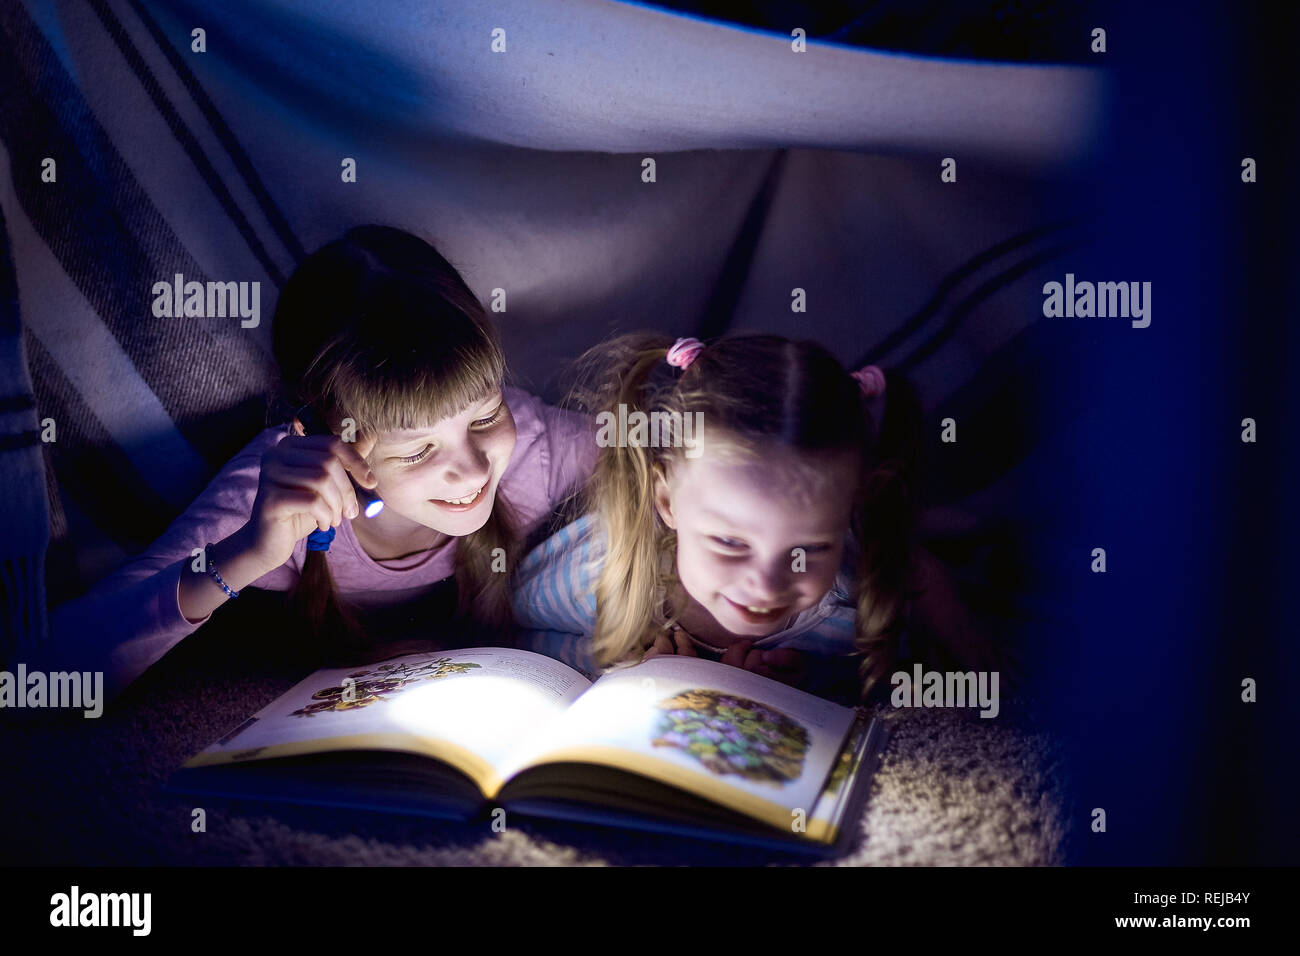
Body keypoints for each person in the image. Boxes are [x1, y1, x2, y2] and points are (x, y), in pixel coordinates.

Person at [39, 225, 596, 704]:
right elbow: (46, 674)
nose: (474, 470)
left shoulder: (530, 449)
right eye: (419, 449)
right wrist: (246, 553)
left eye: (484, 419)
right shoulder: (277, 498)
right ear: (330, 431)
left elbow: (666, 466)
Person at [511, 333, 997, 704]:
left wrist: (801, 690)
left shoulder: (848, 611)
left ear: (849, 513)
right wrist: (625, 673)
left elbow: (904, 592)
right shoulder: (598, 572)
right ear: (667, 500)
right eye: (729, 542)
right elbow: (510, 648)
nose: (765, 586)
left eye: (807, 550)